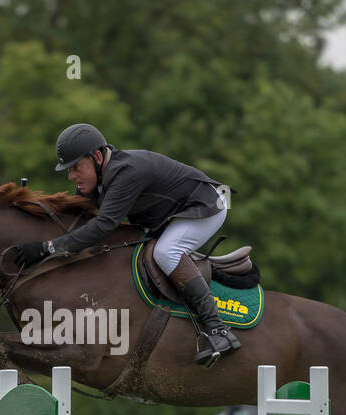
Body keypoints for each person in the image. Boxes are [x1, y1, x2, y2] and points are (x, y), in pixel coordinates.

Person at [14, 123, 240, 367]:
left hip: (208, 205)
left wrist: (46, 248)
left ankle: (219, 331)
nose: (71, 176)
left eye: (76, 167)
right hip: (173, 211)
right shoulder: (100, 177)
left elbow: (102, 226)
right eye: (69, 170)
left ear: (97, 157)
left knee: (166, 252)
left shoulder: (126, 172)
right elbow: (74, 219)